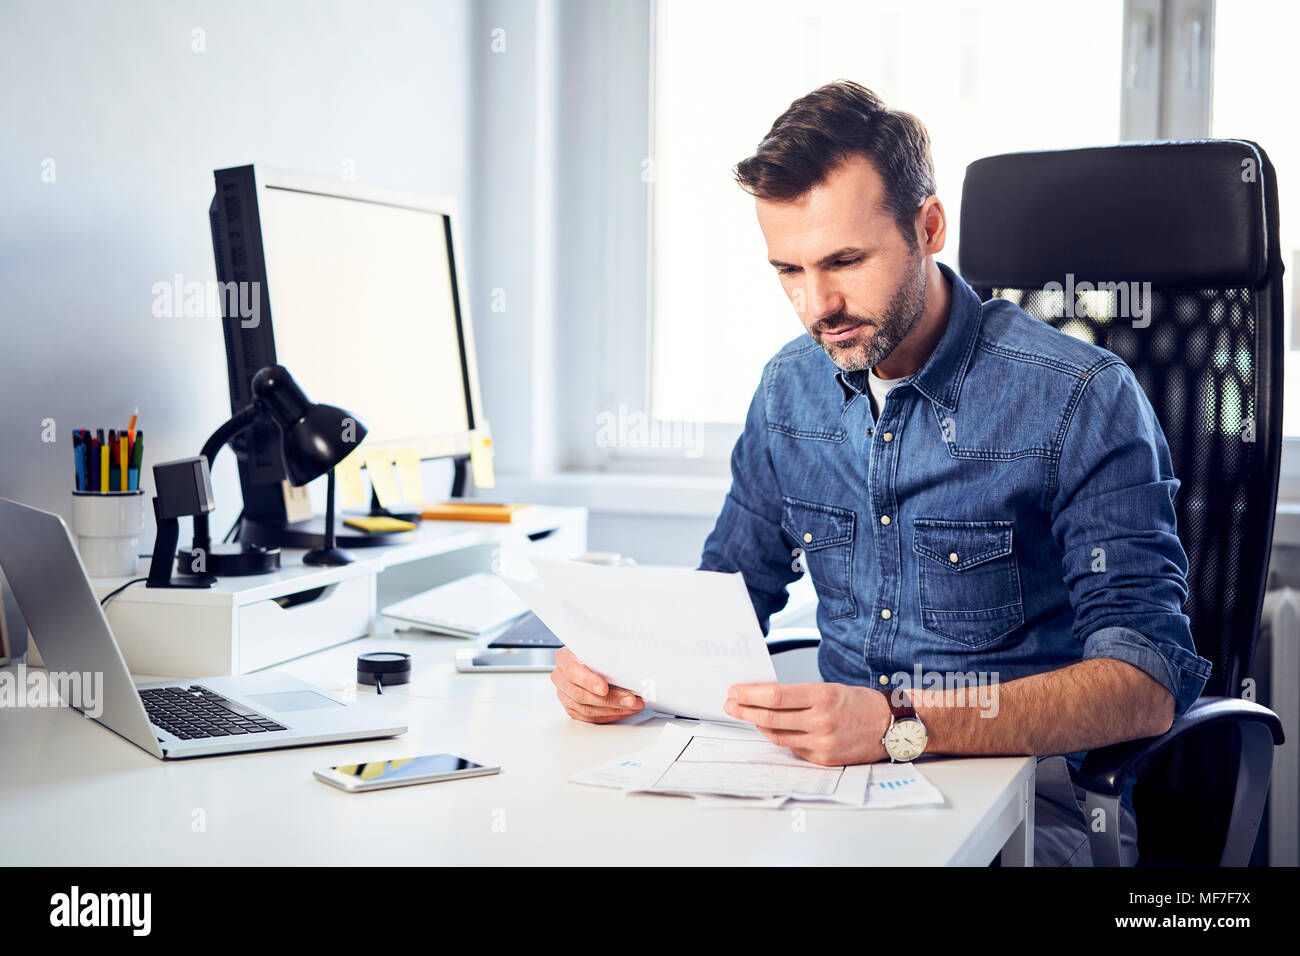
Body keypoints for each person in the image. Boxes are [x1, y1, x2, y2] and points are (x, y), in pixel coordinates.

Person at [550, 80, 1212, 866]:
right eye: (788, 270)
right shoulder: (788, 390)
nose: (817, 305)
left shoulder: (1079, 398)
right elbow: (725, 594)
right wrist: (619, 664)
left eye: (845, 261)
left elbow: (1146, 679)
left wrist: (903, 721)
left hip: (1029, 807)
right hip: (824, 799)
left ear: (928, 227)